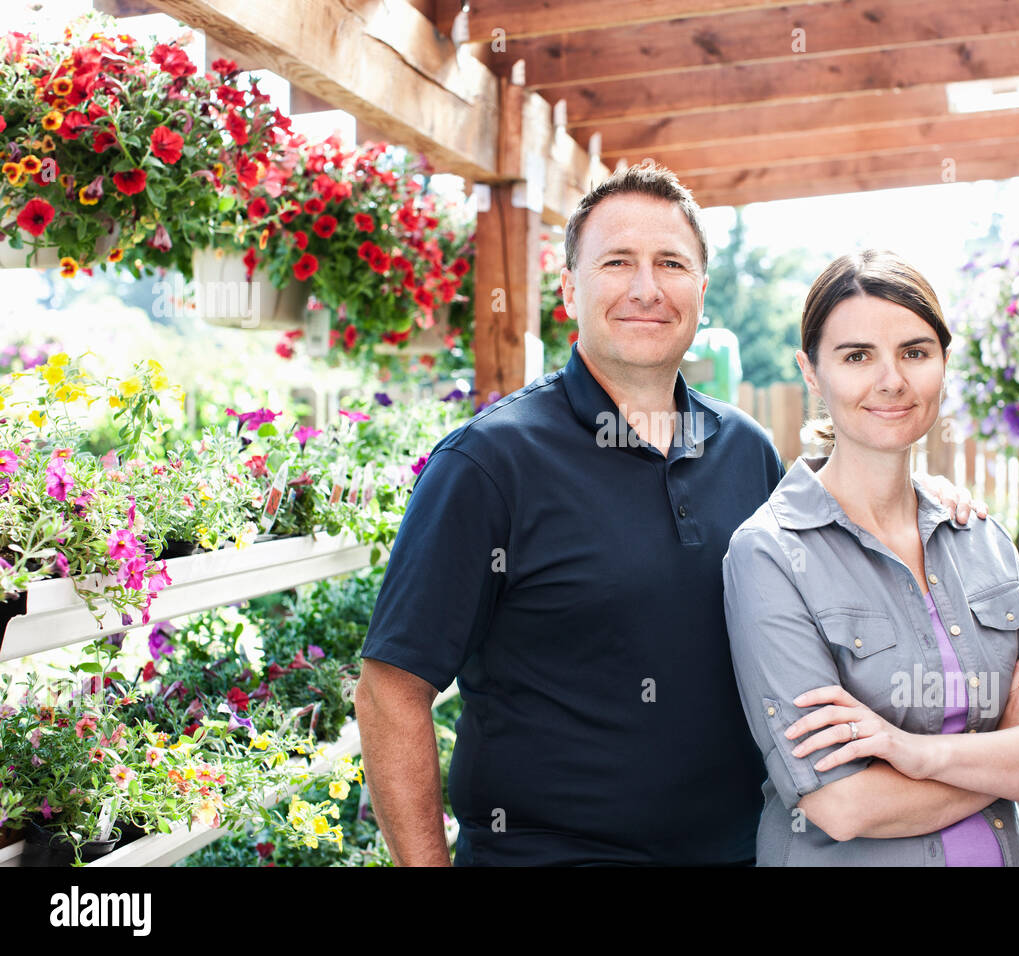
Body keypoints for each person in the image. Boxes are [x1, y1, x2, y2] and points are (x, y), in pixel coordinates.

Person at [354, 164, 986, 866]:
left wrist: (925, 498)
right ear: (568, 289)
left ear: (701, 293)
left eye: (671, 264)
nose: (647, 288)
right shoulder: (489, 463)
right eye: (617, 262)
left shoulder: (744, 451)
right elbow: (390, 691)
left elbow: (839, 560)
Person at [722, 249, 1019, 866]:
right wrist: (1010, 747)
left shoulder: (978, 536)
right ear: (811, 373)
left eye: (914, 351)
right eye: (856, 356)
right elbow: (843, 805)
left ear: (943, 364)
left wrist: (918, 753)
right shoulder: (770, 553)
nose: (892, 380)